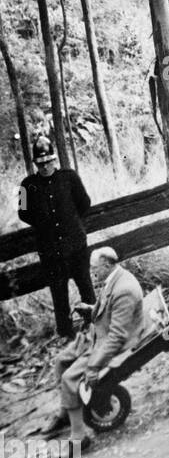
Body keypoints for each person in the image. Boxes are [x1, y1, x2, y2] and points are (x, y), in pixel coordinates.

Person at [44, 247, 144, 450]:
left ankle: (79, 436)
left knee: (69, 378)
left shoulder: (124, 289)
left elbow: (117, 337)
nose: (92, 272)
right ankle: (66, 412)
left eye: (94, 268)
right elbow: (108, 309)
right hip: (99, 334)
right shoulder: (115, 278)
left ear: (107, 264)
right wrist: (90, 309)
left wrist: (94, 366)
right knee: (61, 361)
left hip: (111, 343)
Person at [18, 137, 93, 339]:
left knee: (86, 286)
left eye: (48, 162)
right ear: (35, 164)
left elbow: (84, 203)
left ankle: (94, 323)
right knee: (59, 296)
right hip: (50, 251)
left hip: (76, 245)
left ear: (54, 160)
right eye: (40, 164)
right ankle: (67, 334)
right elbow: (22, 213)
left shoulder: (70, 177)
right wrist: (45, 224)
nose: (45, 167)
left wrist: (70, 222)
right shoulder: (26, 186)